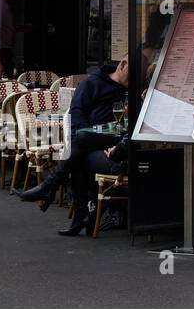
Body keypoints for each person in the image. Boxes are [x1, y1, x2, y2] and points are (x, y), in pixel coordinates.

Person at [19, 58, 130, 216]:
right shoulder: (91, 84)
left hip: (119, 148)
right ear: (123, 66)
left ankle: (51, 188)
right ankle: (78, 214)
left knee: (80, 148)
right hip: (100, 143)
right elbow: (76, 121)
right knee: (80, 145)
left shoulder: (136, 89)